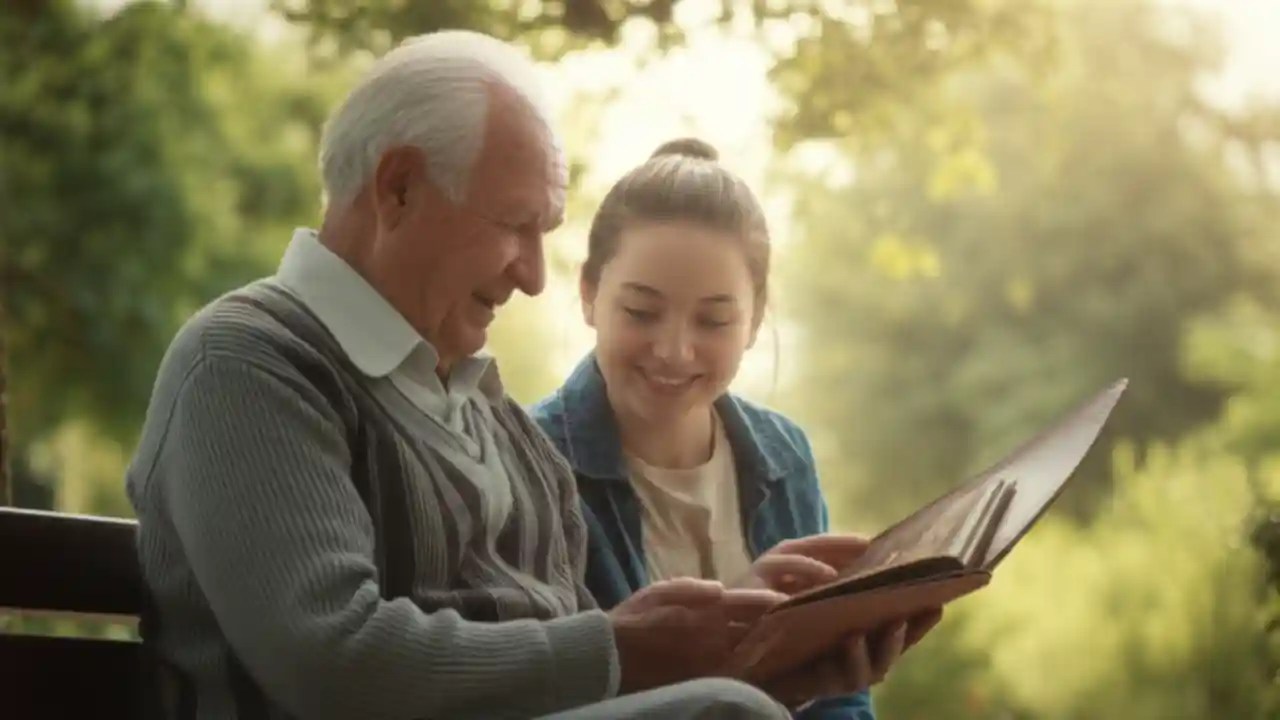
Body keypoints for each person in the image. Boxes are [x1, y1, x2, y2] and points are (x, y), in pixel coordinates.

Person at [123, 31, 856, 720]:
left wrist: (762, 666)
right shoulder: (248, 364)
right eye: (515, 224)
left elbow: (580, 678)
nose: (535, 277)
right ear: (399, 188)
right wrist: (627, 649)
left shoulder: (493, 417)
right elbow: (329, 660)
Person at [531, 138, 942, 717]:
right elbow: (540, 696)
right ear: (589, 294)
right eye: (641, 313)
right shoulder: (525, 460)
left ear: (753, 321)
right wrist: (734, 660)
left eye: (714, 320)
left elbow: (841, 705)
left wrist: (824, 680)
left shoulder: (784, 454)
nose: (674, 351)